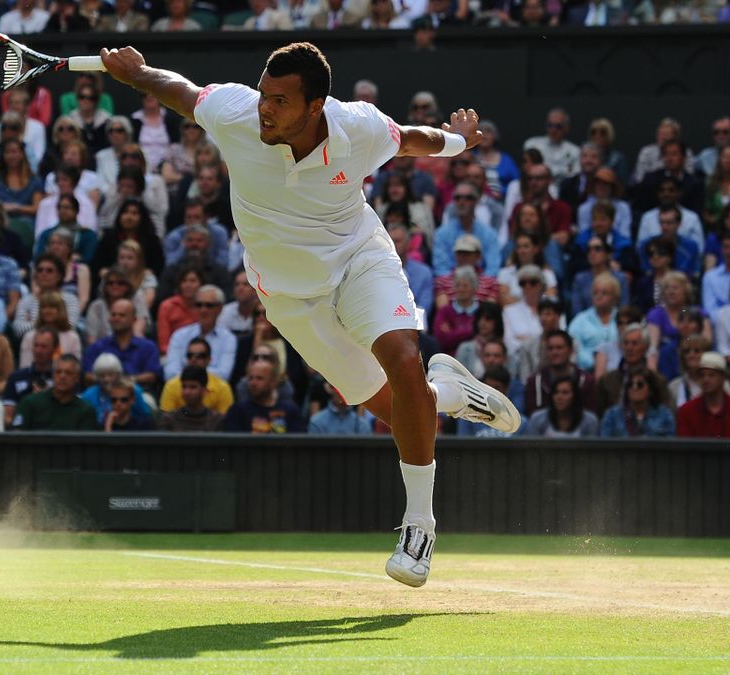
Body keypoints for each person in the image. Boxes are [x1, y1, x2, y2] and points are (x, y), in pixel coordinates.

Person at [99, 40, 520, 587]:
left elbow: (414, 139)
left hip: (358, 257)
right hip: (290, 296)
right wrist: (137, 72)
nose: (265, 109)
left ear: (316, 105)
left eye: (280, 101)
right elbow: (177, 90)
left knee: (402, 358)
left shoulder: (359, 127)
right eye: (263, 95)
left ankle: (419, 527)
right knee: (400, 409)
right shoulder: (235, 112)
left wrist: (460, 140)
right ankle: (453, 395)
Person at [81, 298, 161, 389]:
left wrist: (126, 380)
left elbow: (152, 375)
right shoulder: (97, 347)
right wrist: (106, 381)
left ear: (134, 319)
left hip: (138, 392)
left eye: (122, 315)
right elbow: (87, 375)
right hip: (102, 392)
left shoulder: (148, 347)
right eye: (113, 315)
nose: (116, 318)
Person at [11, 354, 100, 431]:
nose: (62, 376)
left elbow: (86, 444)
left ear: (77, 378)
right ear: (53, 375)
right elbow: (16, 436)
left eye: (68, 373)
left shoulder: (85, 411)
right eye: (58, 372)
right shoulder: (30, 403)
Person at [222, 358, 306, 434]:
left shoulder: (291, 411)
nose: (253, 383)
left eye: (259, 378)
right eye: (250, 378)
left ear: (273, 382)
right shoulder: (237, 411)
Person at [599, 372, 675, 438]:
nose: (634, 388)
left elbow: (670, 445)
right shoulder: (612, 415)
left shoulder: (664, 415)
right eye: (630, 385)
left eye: (639, 385)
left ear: (650, 391)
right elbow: (605, 444)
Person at [676, 352, 730, 438]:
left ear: (722, 378)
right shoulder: (686, 411)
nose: (706, 379)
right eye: (702, 375)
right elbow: (685, 444)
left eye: (712, 375)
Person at [524, 377, 599, 437]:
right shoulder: (537, 419)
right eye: (556, 392)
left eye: (565, 393)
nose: (559, 397)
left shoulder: (590, 421)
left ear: (575, 396)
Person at [309, 383, 373, 434]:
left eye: (345, 389)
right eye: (338, 388)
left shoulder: (362, 424)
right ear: (331, 389)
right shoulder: (317, 422)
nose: (341, 393)